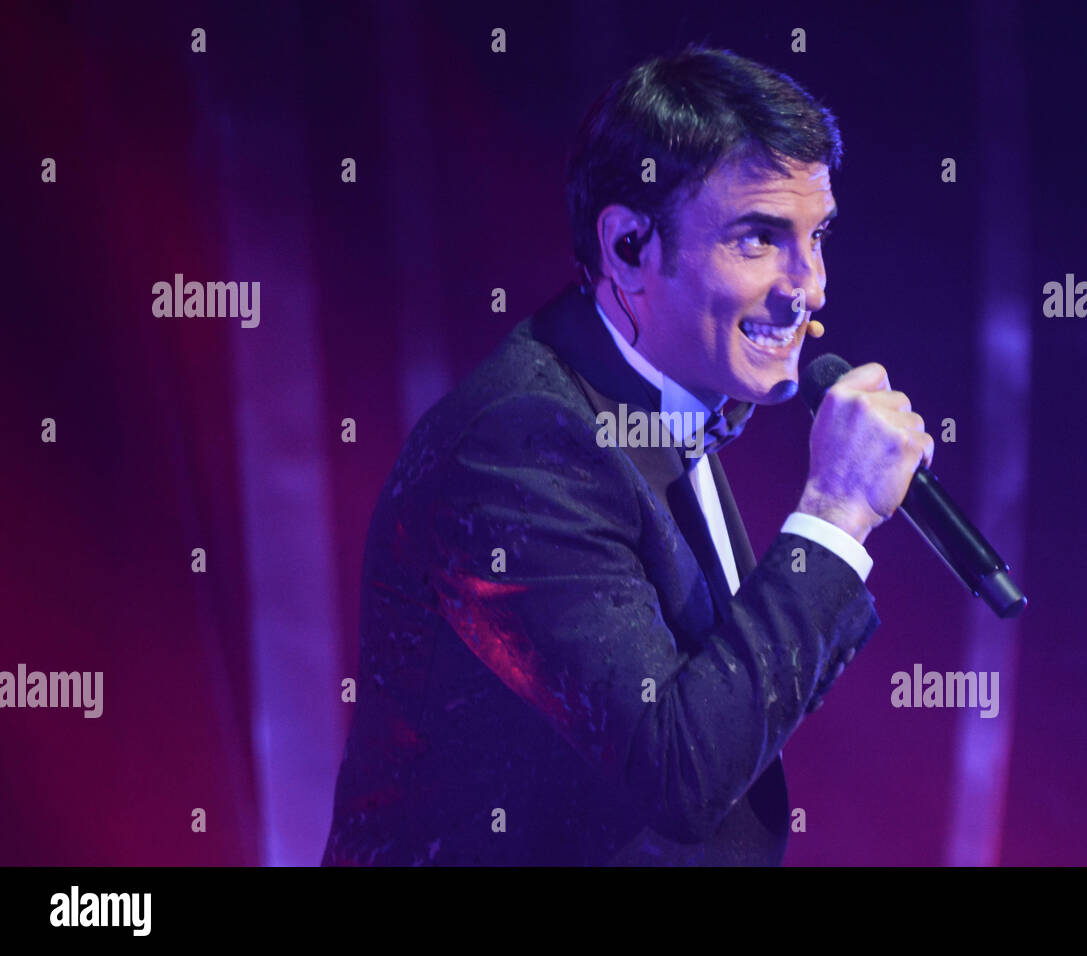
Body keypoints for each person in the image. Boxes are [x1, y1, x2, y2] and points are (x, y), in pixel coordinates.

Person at [321, 43, 933, 866]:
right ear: (629, 248)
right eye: (759, 239)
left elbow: (730, 705)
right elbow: (677, 769)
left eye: (815, 236)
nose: (808, 285)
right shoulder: (525, 443)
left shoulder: (663, 390)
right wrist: (837, 512)